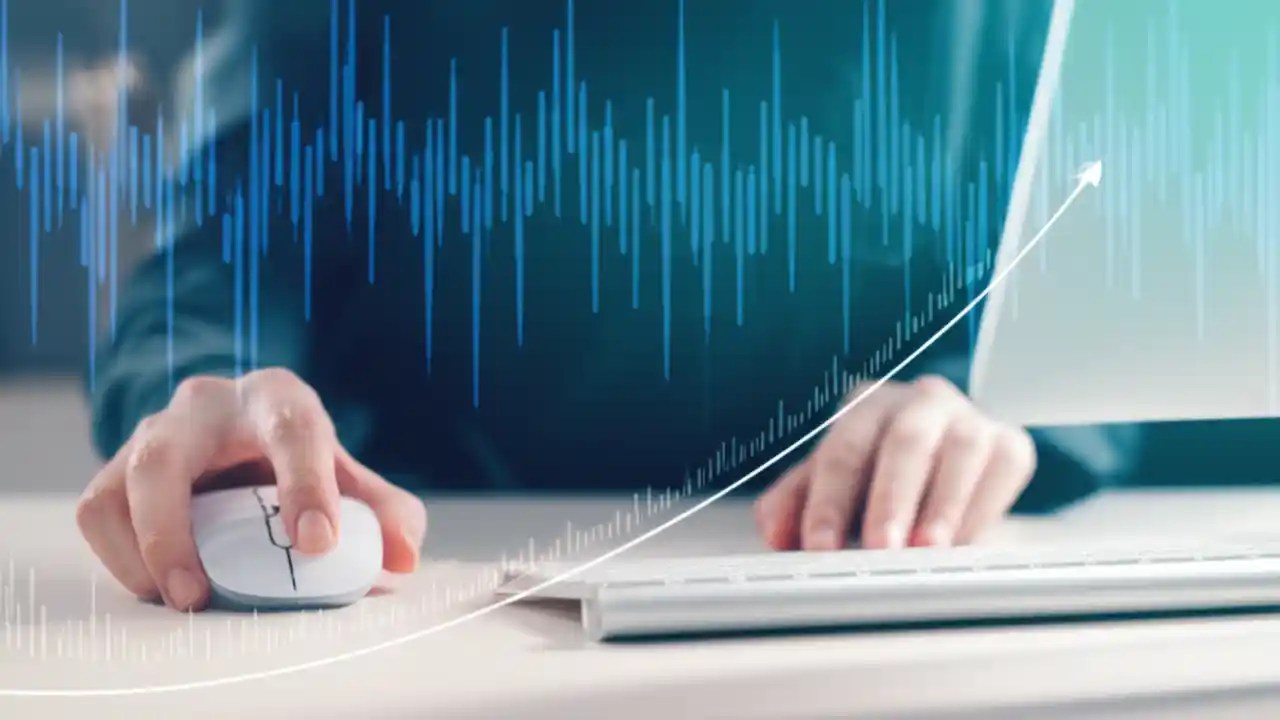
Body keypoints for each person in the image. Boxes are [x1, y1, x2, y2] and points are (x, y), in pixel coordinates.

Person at [75, 0, 1140, 613]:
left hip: (877, 586)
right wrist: (204, 395)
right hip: (452, 600)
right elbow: (210, 265)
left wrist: (985, 396)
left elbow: (1105, 261)